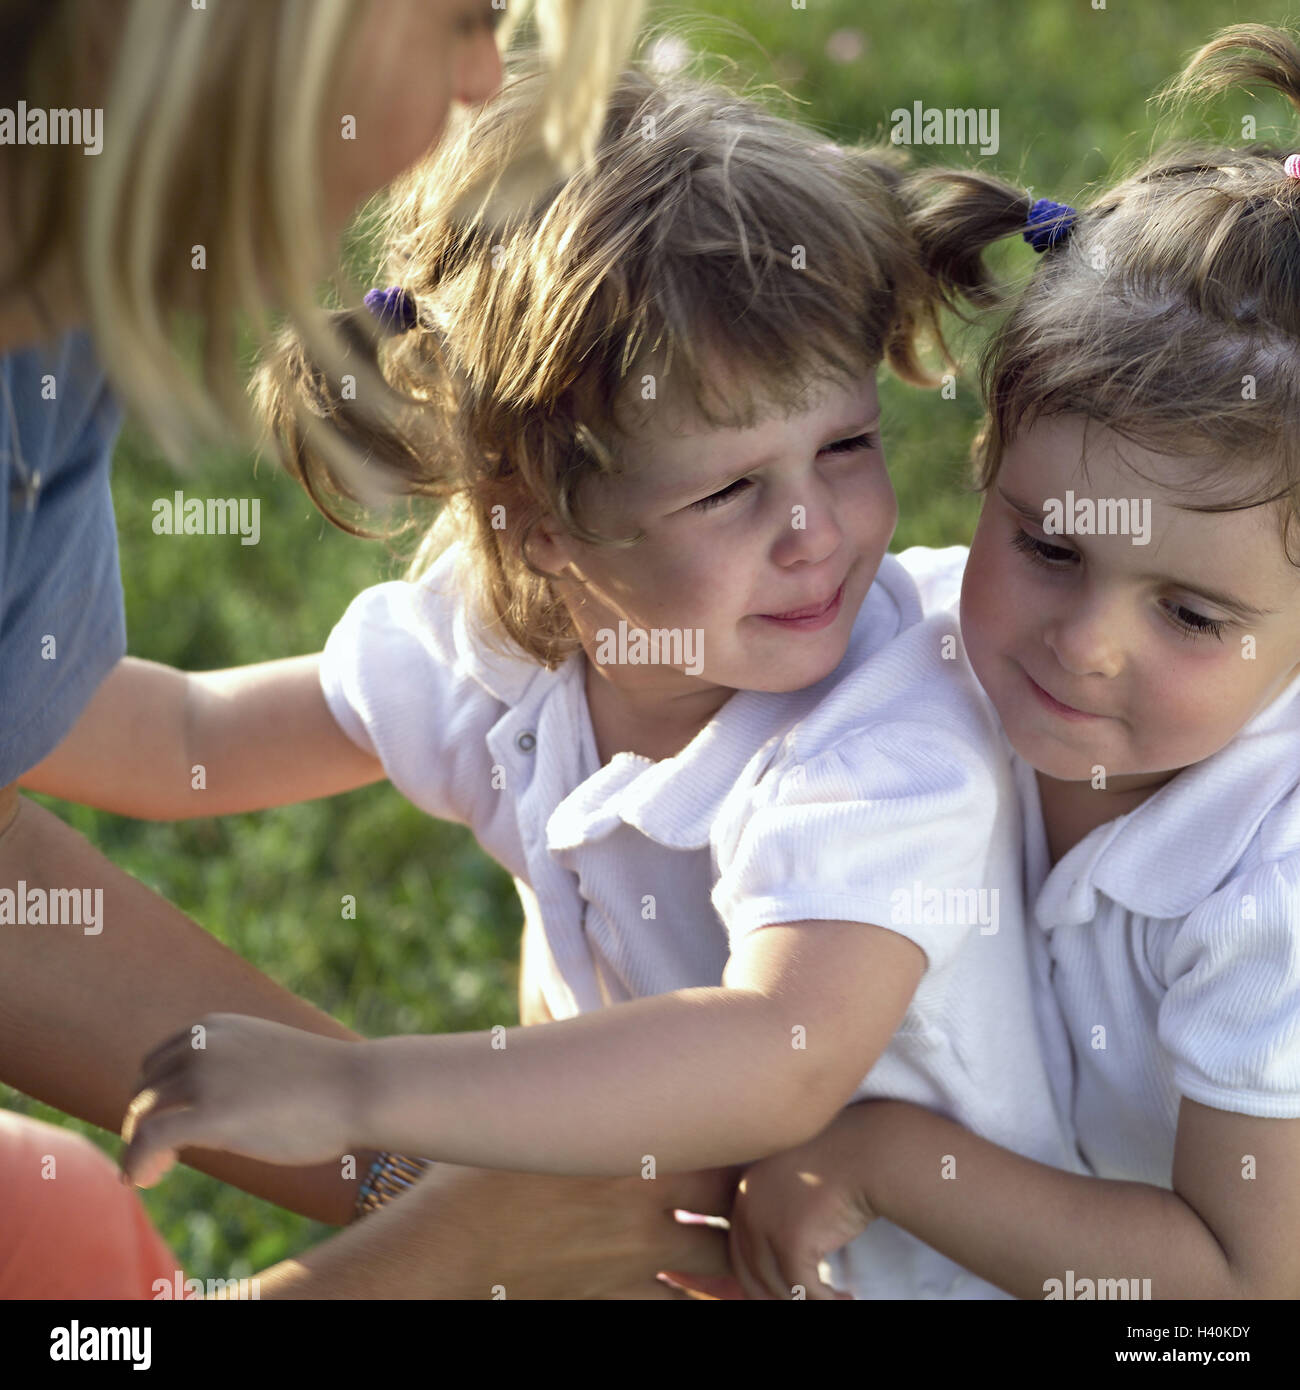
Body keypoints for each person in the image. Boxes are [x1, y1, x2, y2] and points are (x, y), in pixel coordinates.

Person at [38, 64, 1084, 1298]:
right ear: (538, 527)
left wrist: (355, 1088)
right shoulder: (497, 647)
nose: (815, 528)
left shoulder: (889, 725)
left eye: (845, 445)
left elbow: (780, 1047)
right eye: (728, 488)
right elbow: (183, 737)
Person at [0, 0, 736, 1302]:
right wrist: (451, 1249)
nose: (476, 86)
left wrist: (435, 1172)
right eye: (464, 20)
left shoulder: (41, 332)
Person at [693, 21, 1300, 1299]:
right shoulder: (908, 666)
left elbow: (1241, 1291)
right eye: (1048, 548)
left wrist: (891, 1162)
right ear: (987, 476)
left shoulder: (1276, 888)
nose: (1083, 644)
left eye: (1189, 614)